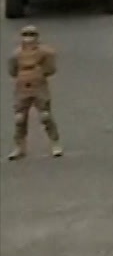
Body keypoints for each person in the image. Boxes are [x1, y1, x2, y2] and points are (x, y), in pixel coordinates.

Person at [8, 26, 60, 160]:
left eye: (31, 34)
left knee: (45, 115)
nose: (28, 38)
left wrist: (40, 73)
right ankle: (19, 146)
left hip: (39, 86)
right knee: (19, 118)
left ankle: (54, 143)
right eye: (25, 34)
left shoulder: (45, 52)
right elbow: (12, 70)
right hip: (22, 87)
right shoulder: (16, 54)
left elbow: (51, 68)